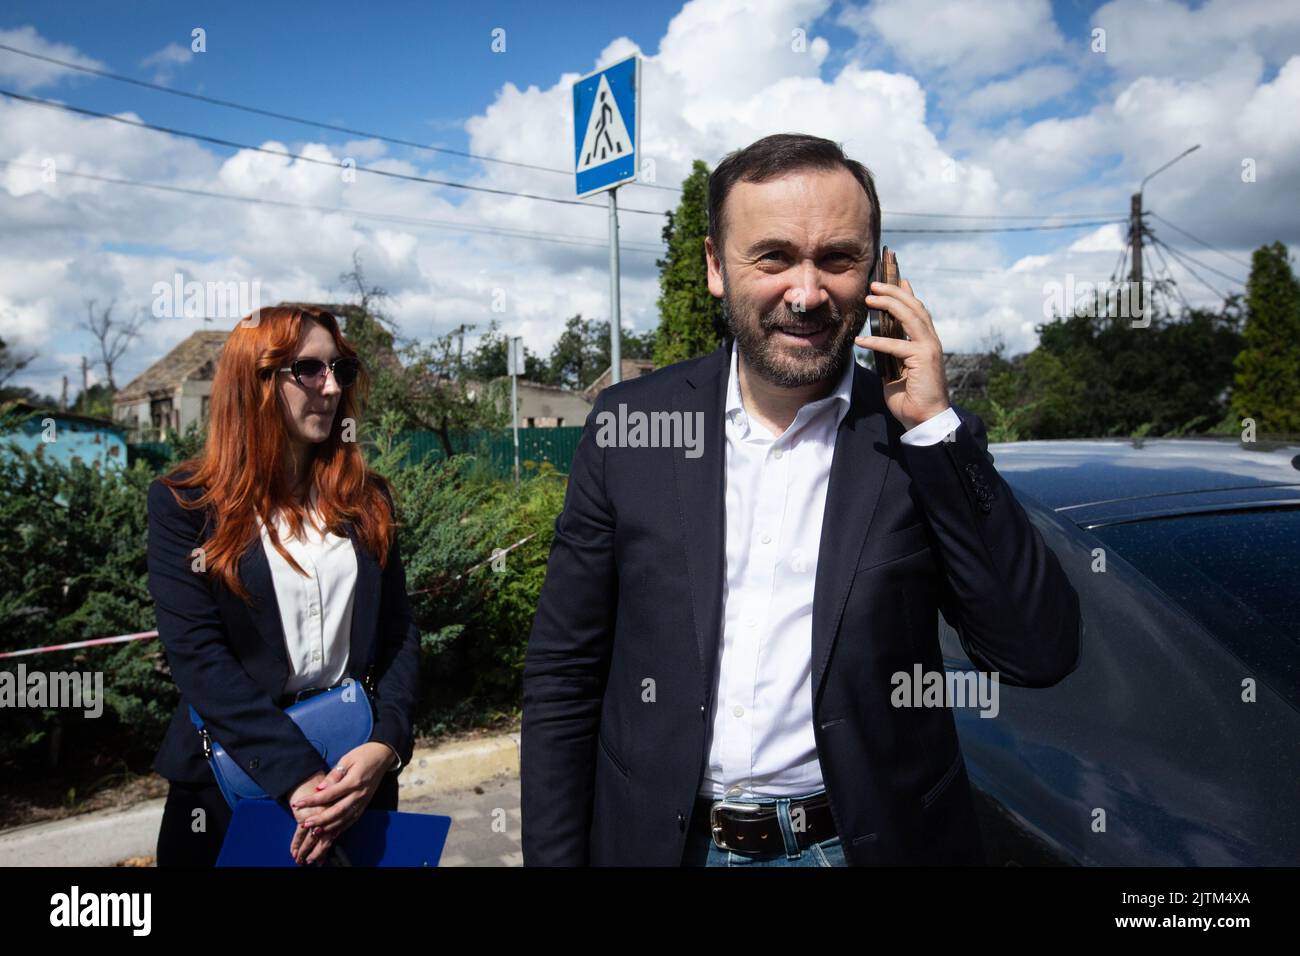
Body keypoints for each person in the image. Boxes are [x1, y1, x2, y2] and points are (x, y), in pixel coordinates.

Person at [521, 133, 1082, 867]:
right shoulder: (632, 426)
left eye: (839, 259)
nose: (808, 293)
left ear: (879, 272)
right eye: (774, 256)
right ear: (717, 268)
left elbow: (1036, 651)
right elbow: (565, 673)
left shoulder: (920, 435)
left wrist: (937, 431)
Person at [147, 304, 421, 866]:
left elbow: (399, 633)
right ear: (256, 381)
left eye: (340, 370)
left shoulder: (366, 499)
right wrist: (298, 778)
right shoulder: (187, 504)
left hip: (355, 779)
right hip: (233, 785)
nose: (329, 386)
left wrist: (385, 744)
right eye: (309, 370)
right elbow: (198, 657)